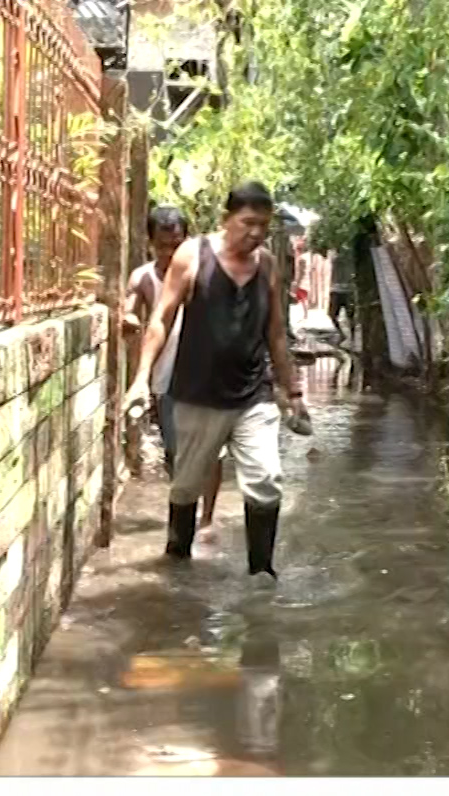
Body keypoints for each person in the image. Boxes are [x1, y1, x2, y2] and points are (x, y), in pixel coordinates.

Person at [125, 181, 309, 579]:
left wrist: (292, 391)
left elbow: (276, 333)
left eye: (263, 224)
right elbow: (161, 318)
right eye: (247, 223)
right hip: (198, 395)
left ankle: (262, 573)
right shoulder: (193, 256)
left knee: (266, 480)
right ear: (227, 219)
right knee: (186, 486)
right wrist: (142, 378)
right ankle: (176, 563)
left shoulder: (268, 267)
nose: (256, 233)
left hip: (252, 396)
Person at [123, 206, 222, 533]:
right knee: (176, 453)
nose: (169, 252)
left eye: (176, 244)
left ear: (186, 241)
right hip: (166, 381)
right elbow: (128, 308)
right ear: (150, 242)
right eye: (162, 245)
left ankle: (205, 521)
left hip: (208, 376)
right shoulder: (143, 277)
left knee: (212, 454)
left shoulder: (206, 274)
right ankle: (184, 517)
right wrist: (128, 320)